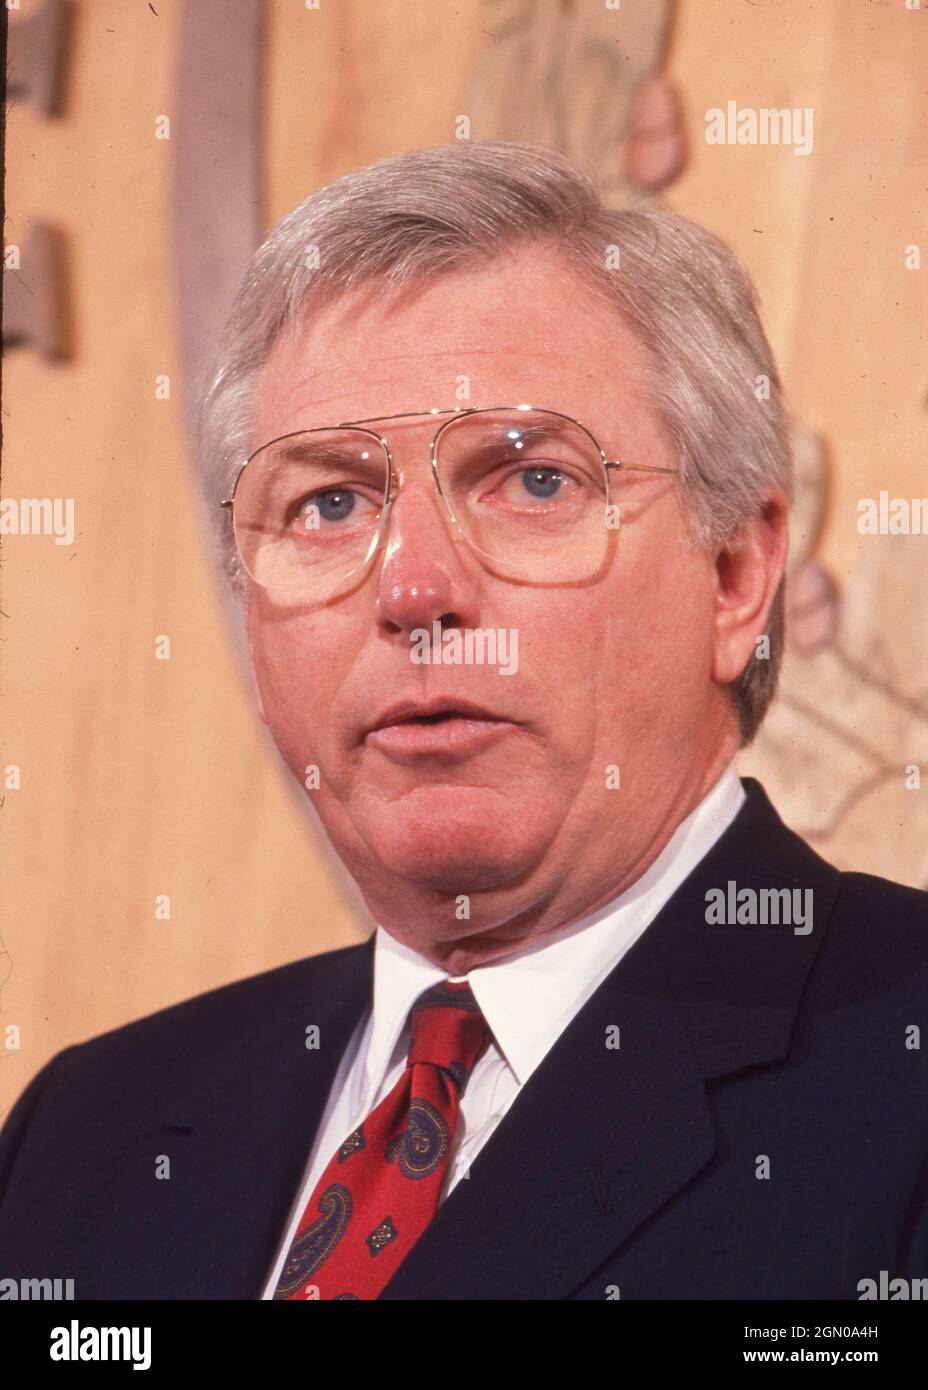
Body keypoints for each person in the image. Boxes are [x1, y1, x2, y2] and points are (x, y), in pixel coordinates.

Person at [1, 141, 925, 1301]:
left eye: (534, 480)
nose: (412, 589)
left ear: (735, 574)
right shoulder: (80, 1137)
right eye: (328, 502)